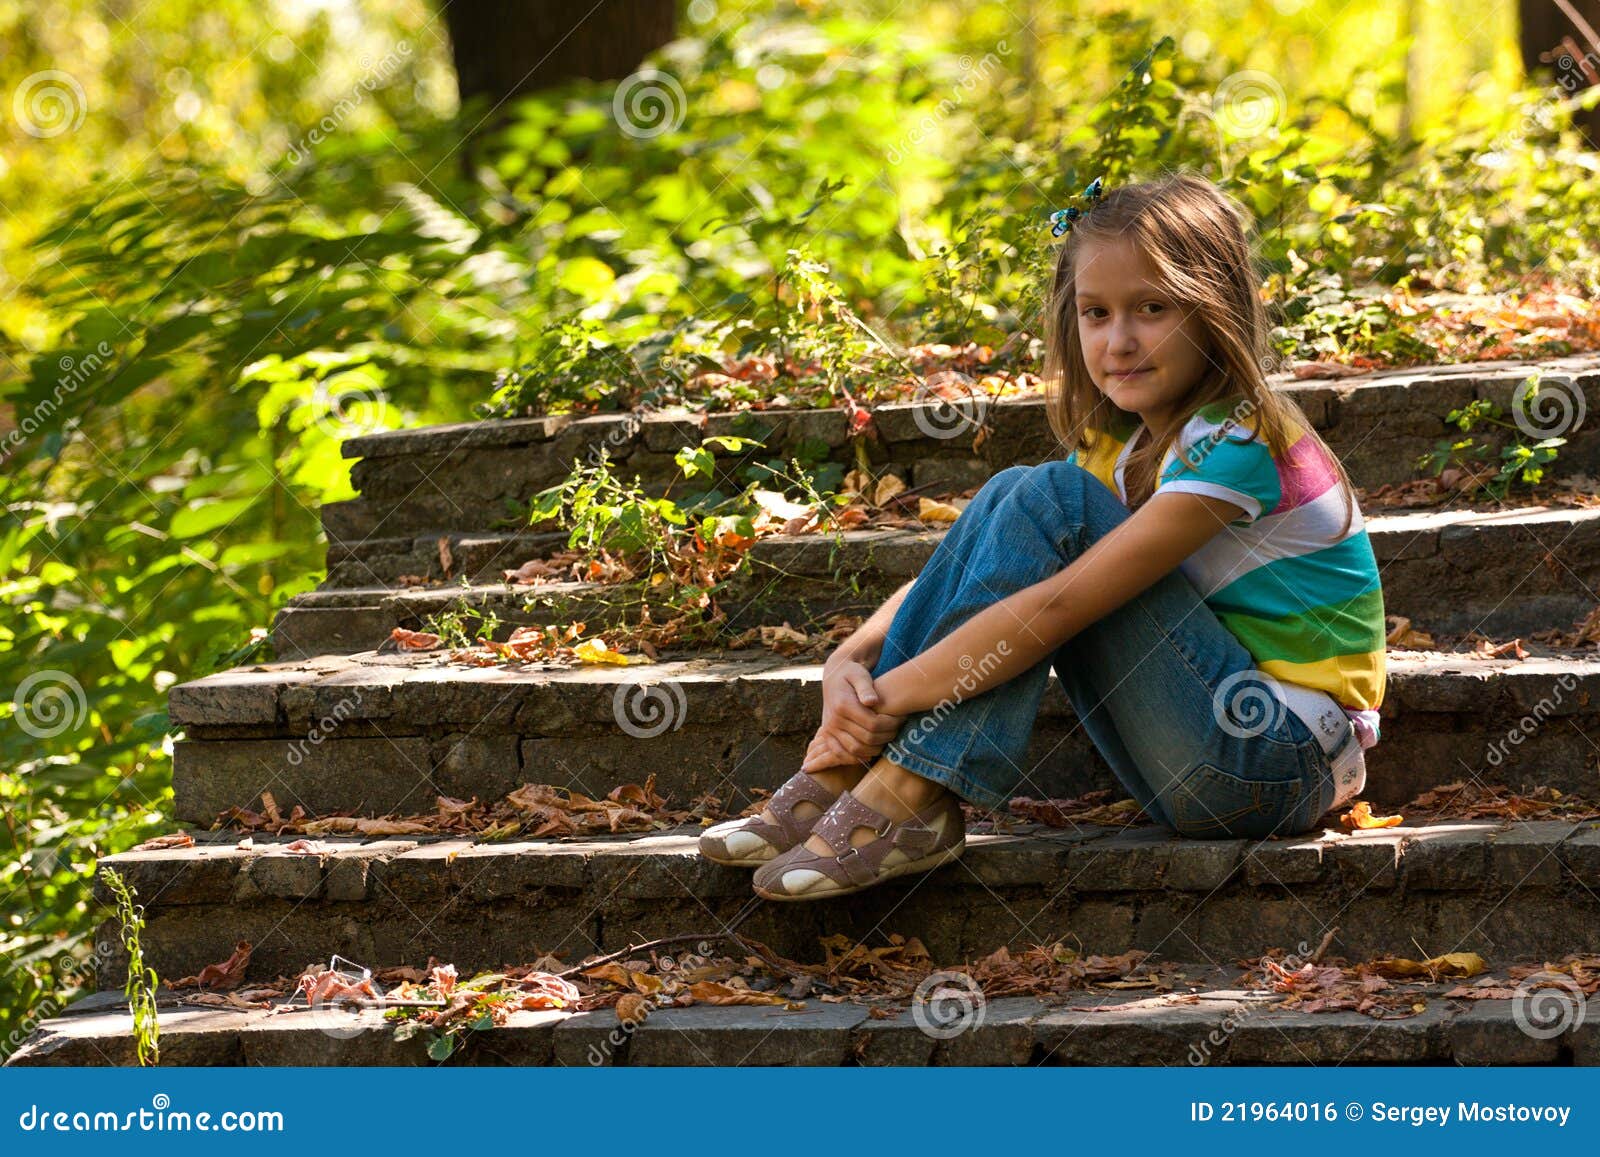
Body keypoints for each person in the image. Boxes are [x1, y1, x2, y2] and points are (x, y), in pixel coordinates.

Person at [698, 171, 1386, 902]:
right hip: (1195, 750)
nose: (1118, 340)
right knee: (1018, 493)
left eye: (1152, 308)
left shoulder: (1240, 439)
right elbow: (987, 564)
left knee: (1049, 499)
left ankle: (899, 784)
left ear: (1213, 309)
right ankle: (862, 781)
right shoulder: (1117, 447)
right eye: (1095, 313)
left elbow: (1058, 605)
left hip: (1274, 762)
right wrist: (851, 657)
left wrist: (883, 704)